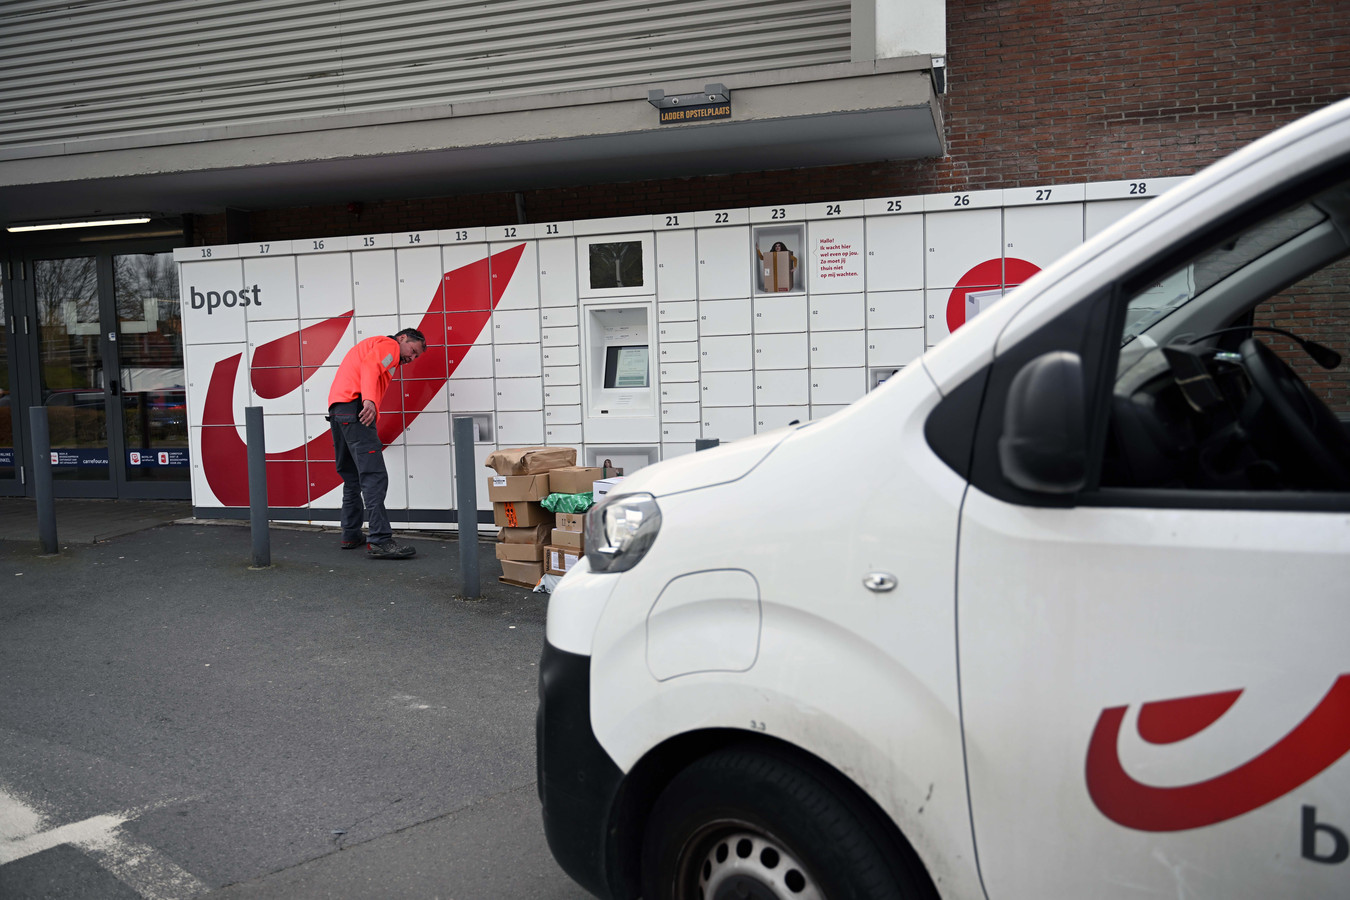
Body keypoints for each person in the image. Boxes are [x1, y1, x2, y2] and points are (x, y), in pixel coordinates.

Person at [327, 327, 426, 559]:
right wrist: (369, 400)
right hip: (356, 409)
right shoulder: (388, 345)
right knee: (374, 476)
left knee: (351, 476)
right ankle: (380, 539)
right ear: (402, 338)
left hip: (338, 411)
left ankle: (350, 534)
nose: (411, 358)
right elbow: (370, 367)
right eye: (412, 350)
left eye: (416, 357)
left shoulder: (371, 345)